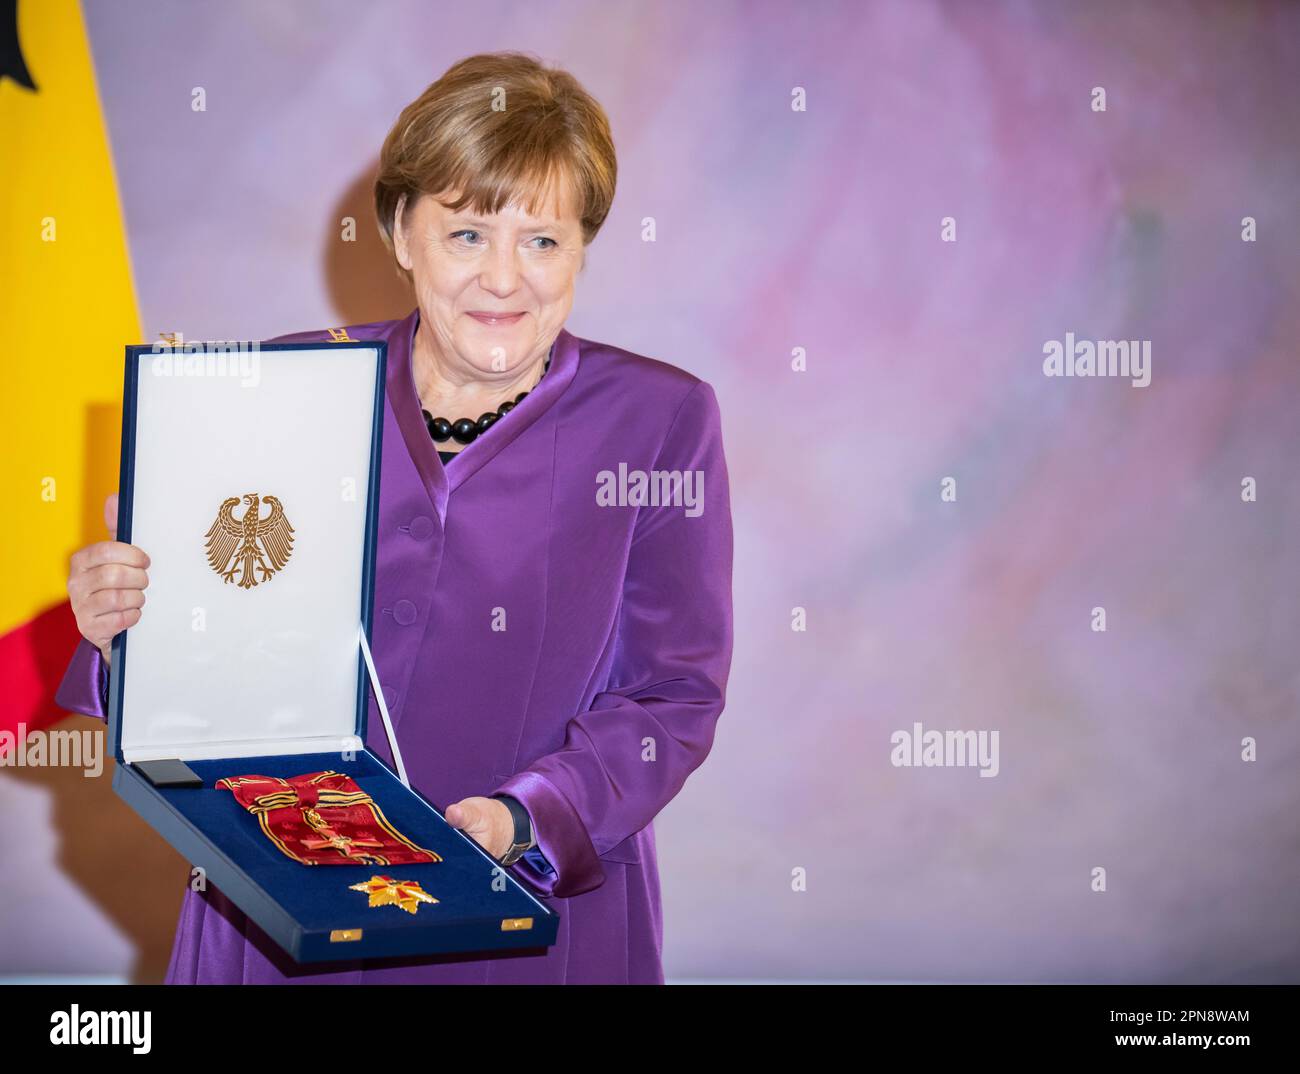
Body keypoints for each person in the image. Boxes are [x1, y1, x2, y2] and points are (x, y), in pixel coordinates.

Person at [56, 50, 733, 984]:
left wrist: (527, 816)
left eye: (543, 239)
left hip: (532, 916)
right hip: (277, 900)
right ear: (400, 232)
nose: (505, 280)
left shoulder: (661, 419)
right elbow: (191, 661)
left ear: (583, 248)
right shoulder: (264, 388)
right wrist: (119, 628)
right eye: (466, 235)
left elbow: (674, 696)